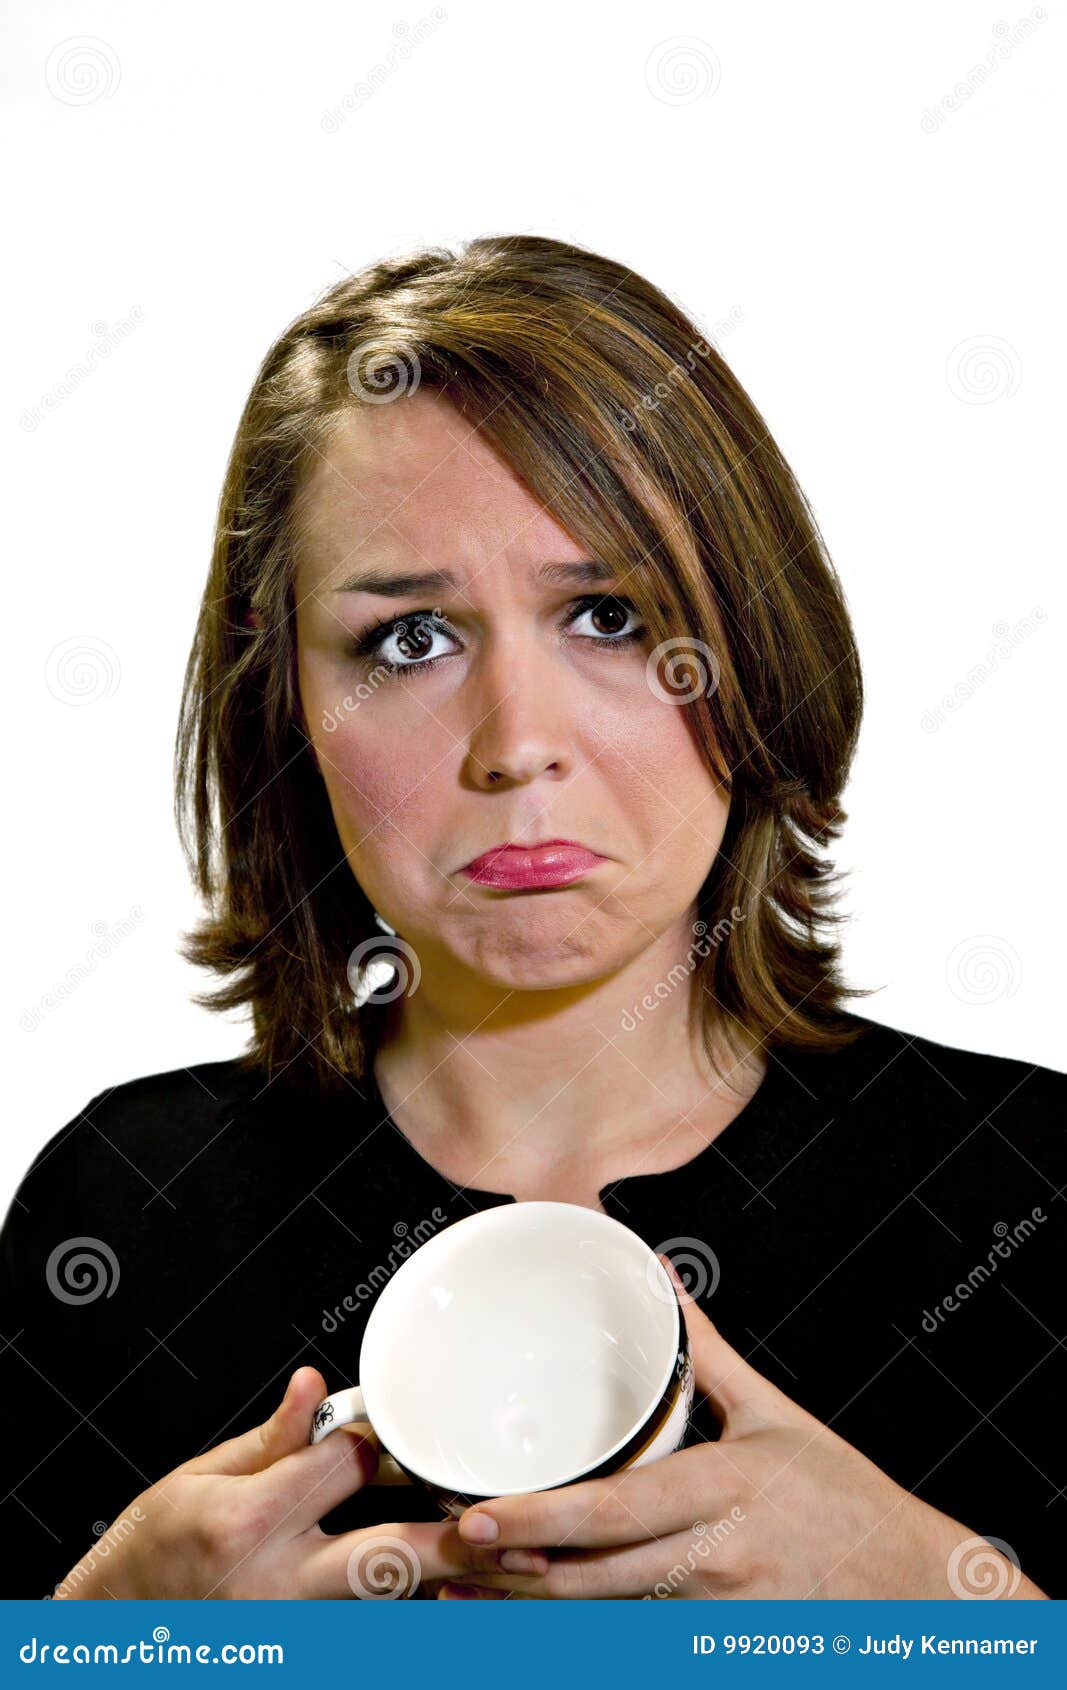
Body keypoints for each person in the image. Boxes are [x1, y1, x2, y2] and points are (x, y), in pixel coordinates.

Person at [2, 236, 1062, 1601]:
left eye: (611, 615)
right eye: (409, 640)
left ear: (752, 641)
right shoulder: (126, 1211)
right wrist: (103, 1636)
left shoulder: (1027, 1200)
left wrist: (954, 1603)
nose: (517, 744)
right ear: (287, 707)